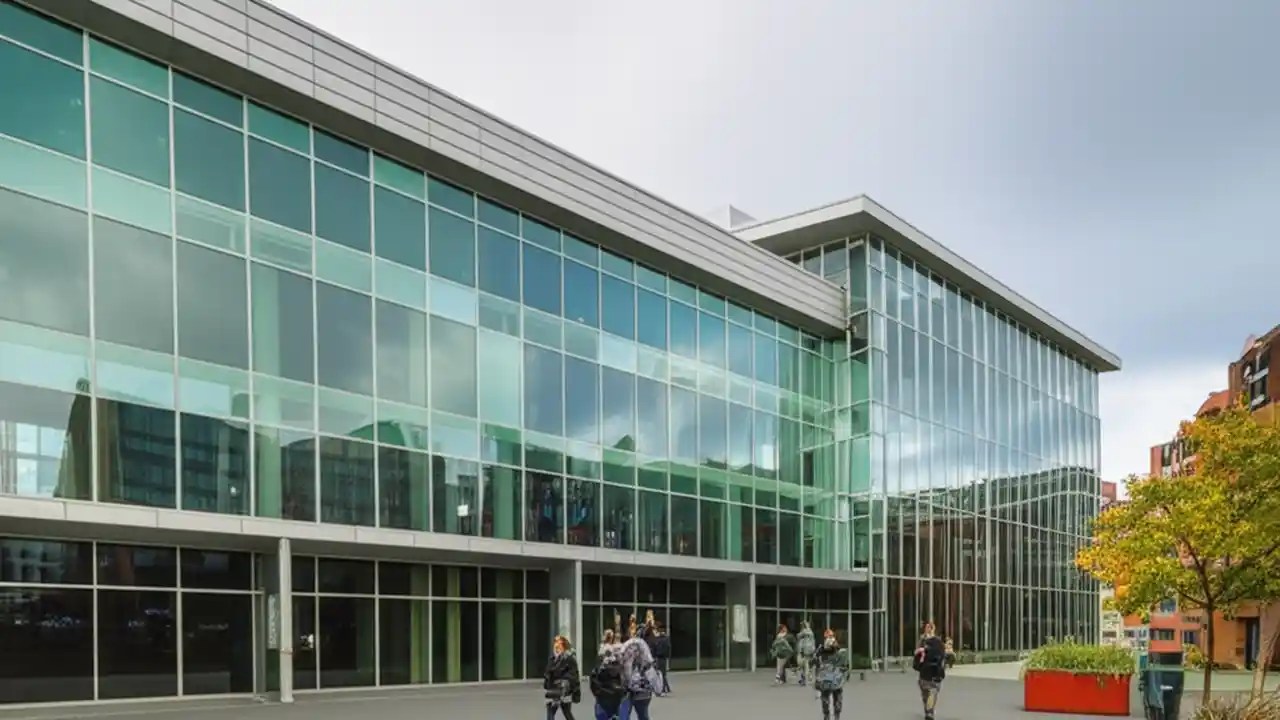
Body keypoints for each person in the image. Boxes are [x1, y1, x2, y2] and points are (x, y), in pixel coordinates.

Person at [618, 634, 659, 720]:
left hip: (628, 692)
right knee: (643, 714)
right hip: (643, 692)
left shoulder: (625, 658)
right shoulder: (646, 661)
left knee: (625, 714)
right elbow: (652, 675)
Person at [813, 629, 850, 720]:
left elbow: (815, 662)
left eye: (831, 637)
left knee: (833, 697)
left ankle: (832, 715)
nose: (829, 640)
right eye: (827, 637)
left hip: (831, 678)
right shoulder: (822, 650)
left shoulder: (839, 650)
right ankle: (830, 715)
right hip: (830, 678)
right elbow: (815, 661)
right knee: (832, 697)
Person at [913, 632, 951, 720]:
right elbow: (944, 661)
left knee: (925, 694)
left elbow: (916, 664)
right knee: (932, 693)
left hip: (924, 675)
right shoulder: (940, 649)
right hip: (936, 676)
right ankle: (929, 711)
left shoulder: (923, 649)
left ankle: (928, 710)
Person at [543, 635, 582, 720]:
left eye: (558, 643)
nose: (556, 645)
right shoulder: (553, 658)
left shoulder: (569, 658)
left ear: (563, 645)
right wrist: (547, 681)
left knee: (566, 712)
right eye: (555, 643)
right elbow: (547, 672)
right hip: (553, 689)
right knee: (551, 712)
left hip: (564, 690)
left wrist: (567, 684)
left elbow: (573, 675)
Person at [591, 631, 627, 720]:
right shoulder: (617, 666)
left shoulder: (602, 651)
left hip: (603, 697)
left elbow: (594, 683)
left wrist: (598, 692)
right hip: (614, 697)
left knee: (602, 715)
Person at [651, 623, 672, 696]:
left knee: (659, 674)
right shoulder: (666, 639)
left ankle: (662, 689)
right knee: (662, 674)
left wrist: (654, 656)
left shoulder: (658, 639)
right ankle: (665, 689)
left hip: (659, 657)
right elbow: (668, 649)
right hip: (663, 658)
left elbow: (654, 648)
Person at [796, 621, 817, 686]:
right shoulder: (811, 633)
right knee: (807, 665)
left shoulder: (804, 632)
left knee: (802, 665)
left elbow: (798, 636)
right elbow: (813, 642)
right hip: (810, 650)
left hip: (803, 651)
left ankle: (804, 678)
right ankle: (808, 676)